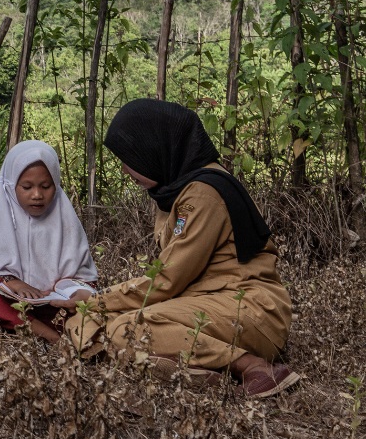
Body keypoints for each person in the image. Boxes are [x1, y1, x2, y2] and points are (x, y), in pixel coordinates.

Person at [64, 99, 299, 398]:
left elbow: (167, 280)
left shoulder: (202, 193)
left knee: (125, 330)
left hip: (249, 310)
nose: (125, 170)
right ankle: (204, 374)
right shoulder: (176, 189)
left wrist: (97, 300)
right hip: (204, 304)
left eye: (129, 158)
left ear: (154, 149)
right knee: (89, 324)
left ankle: (251, 365)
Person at [0, 140, 97, 337]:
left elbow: (85, 277)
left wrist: (72, 292)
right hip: (15, 302)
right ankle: (51, 337)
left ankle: (9, 325)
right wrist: (14, 283)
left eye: (46, 186)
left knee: (92, 311)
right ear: (11, 185)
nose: (37, 195)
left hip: (55, 307)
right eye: (27, 187)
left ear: (55, 184)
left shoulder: (65, 218)